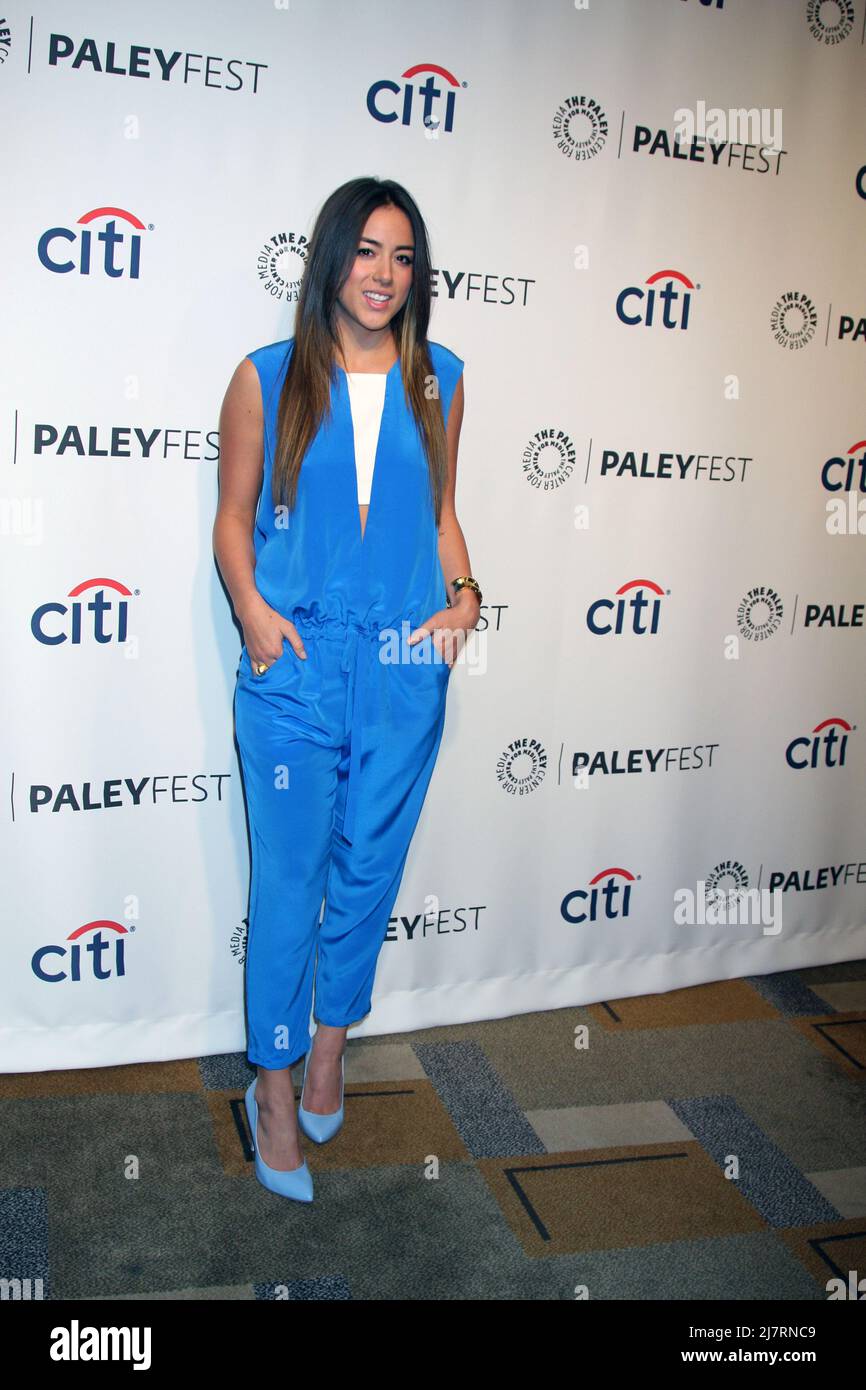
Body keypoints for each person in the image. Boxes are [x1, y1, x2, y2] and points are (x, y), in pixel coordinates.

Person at [213, 177, 481, 1201]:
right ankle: (272, 1083)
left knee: (367, 869)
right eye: (367, 251)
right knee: (287, 883)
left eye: (403, 257)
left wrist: (463, 599)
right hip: (295, 667)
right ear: (330, 258)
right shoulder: (268, 376)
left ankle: (329, 1046)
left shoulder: (438, 378)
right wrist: (249, 608)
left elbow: (444, 511)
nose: (384, 274)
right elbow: (233, 518)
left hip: (405, 666)